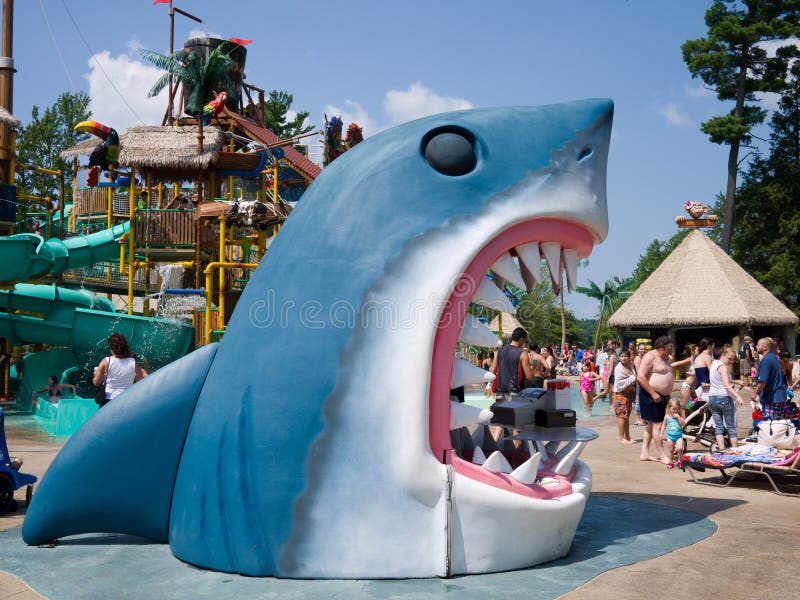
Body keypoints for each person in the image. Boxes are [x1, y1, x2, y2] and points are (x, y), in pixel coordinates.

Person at [635, 335, 675, 465]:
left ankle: (644, 453)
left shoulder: (666, 358)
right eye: (670, 347)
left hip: (661, 396)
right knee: (657, 425)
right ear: (661, 348)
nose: (672, 349)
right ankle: (662, 455)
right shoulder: (650, 357)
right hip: (651, 395)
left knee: (650, 425)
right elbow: (640, 377)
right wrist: (653, 393)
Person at [92, 332, 148, 407]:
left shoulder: (106, 361)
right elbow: (139, 379)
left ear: (111, 348)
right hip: (126, 399)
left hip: (108, 399)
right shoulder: (133, 362)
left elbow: (96, 382)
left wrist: (97, 375)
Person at [708, 347, 744, 449]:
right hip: (723, 397)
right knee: (730, 426)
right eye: (730, 359)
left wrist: (736, 381)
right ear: (723, 355)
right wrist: (737, 396)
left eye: (733, 359)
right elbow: (726, 385)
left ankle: (721, 449)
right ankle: (735, 448)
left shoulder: (713, 364)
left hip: (712, 397)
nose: (731, 361)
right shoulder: (723, 367)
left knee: (718, 426)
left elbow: (720, 381)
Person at [490, 327, 533, 400]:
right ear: (521, 339)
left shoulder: (499, 352)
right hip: (515, 392)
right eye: (524, 341)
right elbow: (529, 376)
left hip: (500, 391)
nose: (524, 343)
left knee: (501, 411)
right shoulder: (523, 353)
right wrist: (531, 366)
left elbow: (492, 372)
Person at [752, 337, 788, 420]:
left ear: (765, 347)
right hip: (780, 396)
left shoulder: (767, 360)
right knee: (778, 425)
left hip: (772, 398)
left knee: (770, 424)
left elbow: (763, 381)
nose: (756, 347)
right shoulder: (774, 357)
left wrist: (755, 393)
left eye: (758, 345)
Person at [612, 352, 637, 444]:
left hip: (629, 394)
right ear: (619, 357)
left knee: (627, 416)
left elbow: (634, 378)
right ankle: (622, 438)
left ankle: (628, 437)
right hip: (621, 394)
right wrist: (632, 379)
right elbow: (619, 383)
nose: (624, 358)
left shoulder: (630, 366)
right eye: (622, 356)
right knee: (622, 416)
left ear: (629, 357)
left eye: (626, 356)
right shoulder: (619, 368)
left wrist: (633, 380)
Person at [661, 399, 685, 468]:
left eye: (677, 409)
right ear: (669, 408)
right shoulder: (667, 416)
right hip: (670, 436)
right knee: (671, 450)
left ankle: (680, 461)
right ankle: (671, 462)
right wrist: (661, 433)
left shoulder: (679, 416)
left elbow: (683, 423)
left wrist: (678, 417)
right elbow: (664, 425)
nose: (675, 411)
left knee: (680, 448)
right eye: (673, 409)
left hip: (678, 436)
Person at [693, 337, 714, 401]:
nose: (713, 349)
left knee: (691, 407)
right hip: (706, 389)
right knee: (708, 410)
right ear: (709, 346)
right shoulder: (707, 357)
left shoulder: (697, 357)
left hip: (698, 388)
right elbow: (713, 374)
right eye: (713, 346)